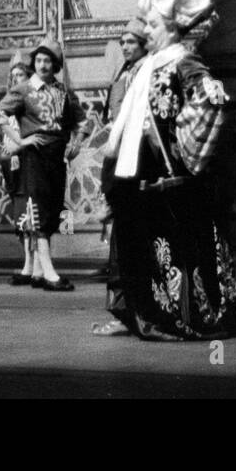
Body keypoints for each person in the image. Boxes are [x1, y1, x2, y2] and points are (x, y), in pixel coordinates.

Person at [95, 0, 236, 339]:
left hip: (172, 184)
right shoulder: (150, 66)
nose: (147, 31)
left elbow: (213, 101)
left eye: (152, 25)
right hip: (145, 180)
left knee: (177, 251)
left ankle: (180, 315)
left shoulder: (184, 64)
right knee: (143, 249)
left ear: (171, 28)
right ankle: (142, 314)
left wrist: (181, 151)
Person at [0, 38, 87, 291]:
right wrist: (20, 141)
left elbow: (81, 121)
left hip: (56, 159)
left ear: (56, 64)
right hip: (32, 158)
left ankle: (39, 271)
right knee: (37, 212)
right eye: (39, 60)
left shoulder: (63, 90)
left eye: (48, 61)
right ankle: (49, 273)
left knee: (52, 209)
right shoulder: (24, 89)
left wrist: (75, 145)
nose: (43, 65)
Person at [98, 17, 148, 280]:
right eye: (123, 42)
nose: (126, 47)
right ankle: (118, 265)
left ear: (143, 43)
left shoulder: (145, 70)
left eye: (131, 41)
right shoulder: (124, 71)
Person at [0, 51, 33, 284]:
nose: (17, 78)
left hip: (27, 158)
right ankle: (27, 260)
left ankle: (31, 263)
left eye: (21, 74)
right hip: (12, 162)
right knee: (19, 211)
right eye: (14, 75)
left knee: (30, 212)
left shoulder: (31, 98)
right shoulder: (10, 99)